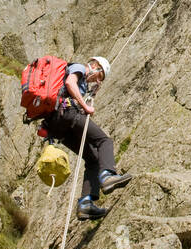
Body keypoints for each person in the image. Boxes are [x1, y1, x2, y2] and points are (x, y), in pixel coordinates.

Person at [42, 56, 131, 219]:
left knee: (93, 159)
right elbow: (70, 83)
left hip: (58, 127)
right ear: (95, 65)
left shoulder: (84, 85)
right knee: (104, 141)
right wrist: (85, 106)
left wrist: (90, 95)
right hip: (67, 114)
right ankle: (108, 176)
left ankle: (85, 203)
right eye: (99, 75)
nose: (97, 79)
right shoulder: (80, 68)